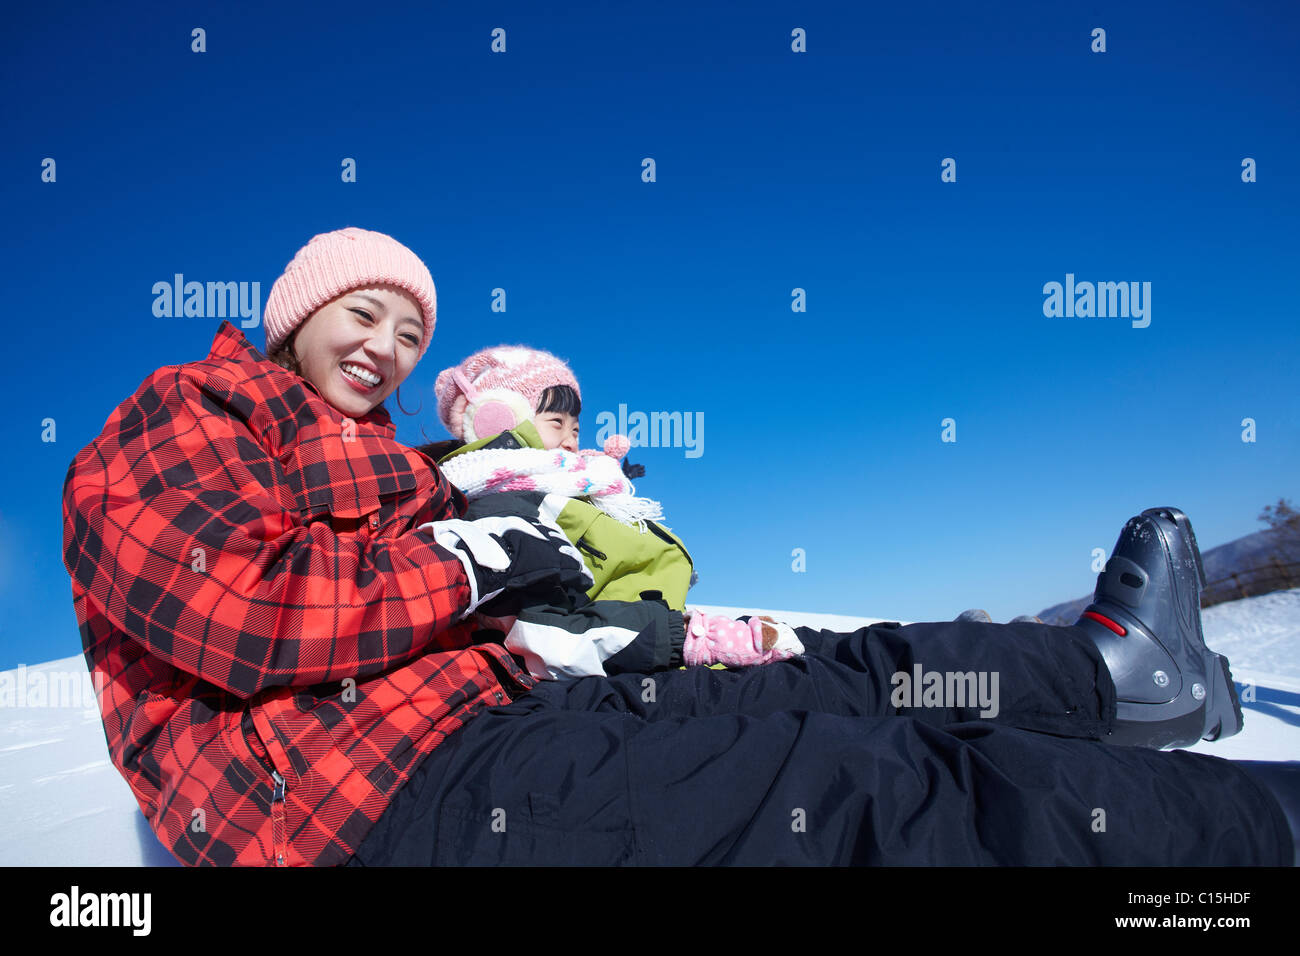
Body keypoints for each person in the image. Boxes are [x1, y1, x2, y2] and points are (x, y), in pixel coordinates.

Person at [61, 226, 1299, 866]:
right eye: (363, 313)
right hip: (380, 800)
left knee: (859, 690)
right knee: (867, 789)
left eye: (409, 327)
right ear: (295, 314)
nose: (387, 345)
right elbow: (235, 608)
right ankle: (1243, 845)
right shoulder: (192, 409)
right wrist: (482, 561)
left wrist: (549, 579)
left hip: (506, 709)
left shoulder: (387, 462)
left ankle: (1114, 680)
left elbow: (538, 578)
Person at [416, 344, 804, 680]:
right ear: (497, 419)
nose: (571, 440)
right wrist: (690, 640)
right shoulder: (499, 507)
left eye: (576, 428)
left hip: (649, 654)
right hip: (623, 669)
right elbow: (542, 629)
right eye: (556, 423)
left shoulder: (566, 489)